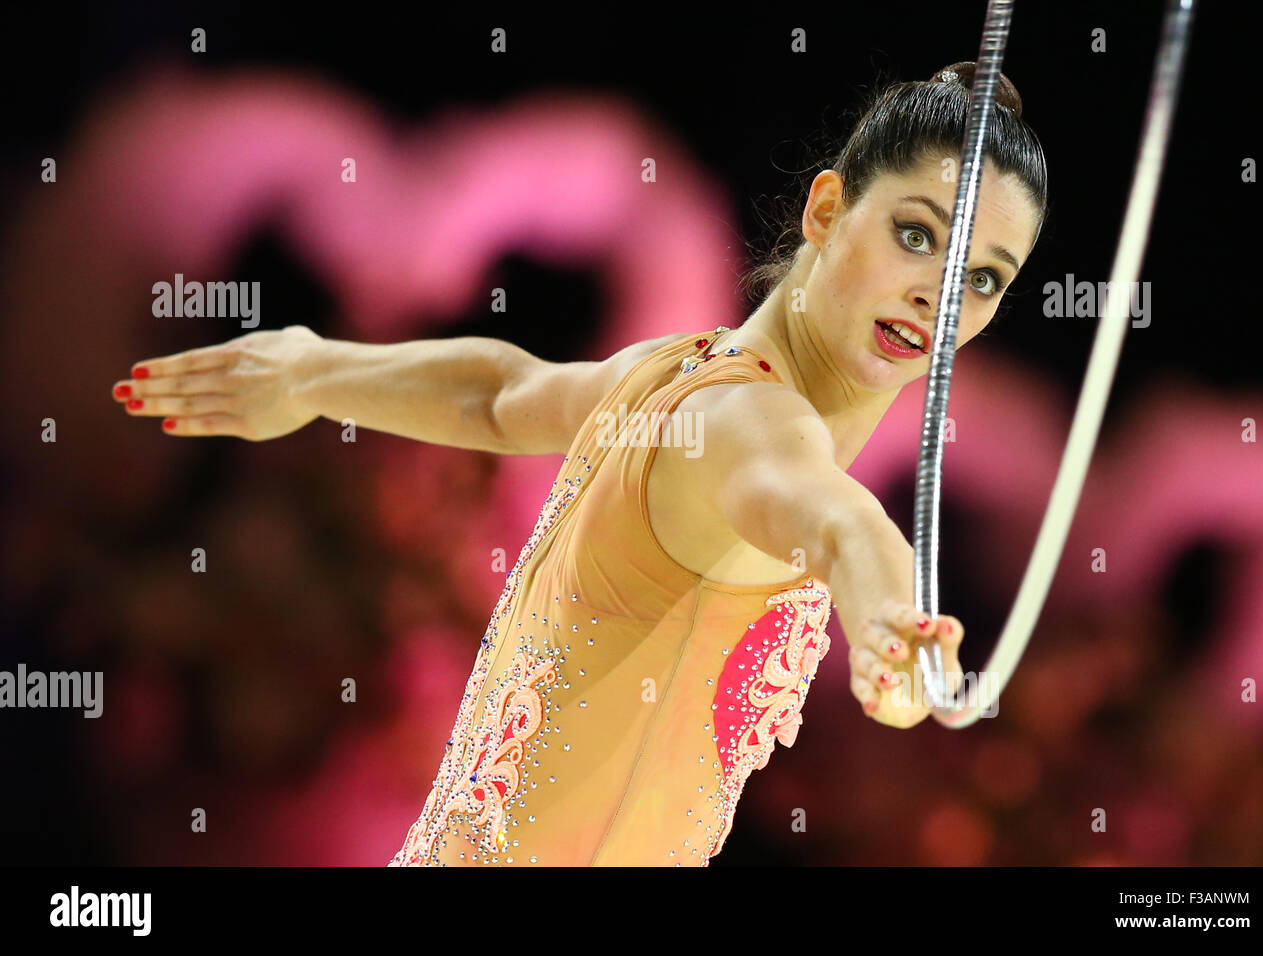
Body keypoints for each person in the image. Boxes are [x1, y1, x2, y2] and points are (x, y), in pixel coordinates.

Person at [109, 62, 1048, 865]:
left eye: (983, 277)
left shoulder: (674, 371)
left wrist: (314, 371)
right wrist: (889, 623)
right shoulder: (744, 422)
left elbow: (501, 395)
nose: (938, 293)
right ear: (828, 207)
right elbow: (836, 518)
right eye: (917, 236)